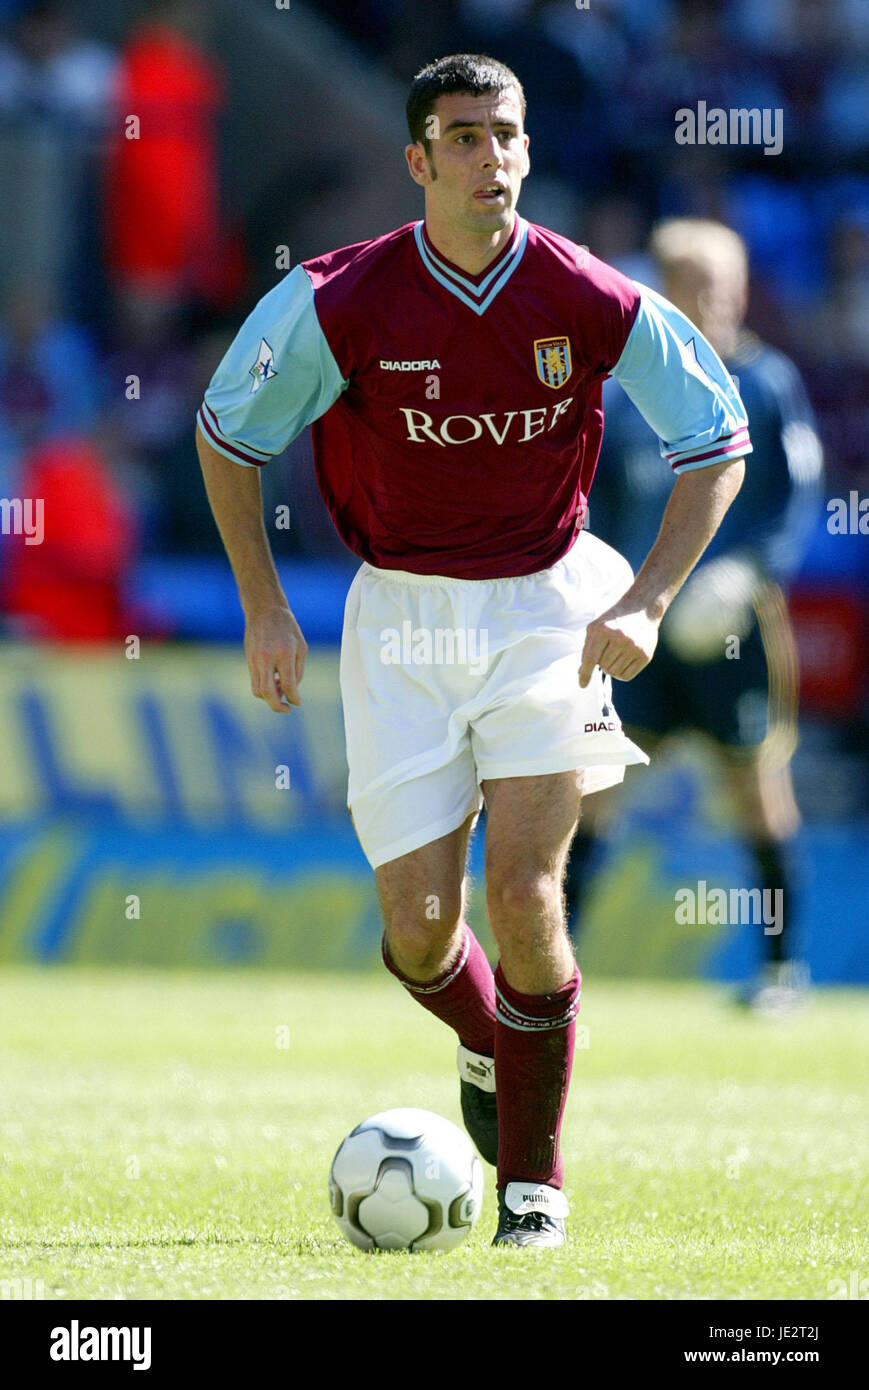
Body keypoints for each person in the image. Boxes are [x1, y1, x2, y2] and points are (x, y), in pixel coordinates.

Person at [195, 55, 750, 1248]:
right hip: (397, 617)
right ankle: (499, 1048)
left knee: (524, 890)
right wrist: (262, 606)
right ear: (417, 161)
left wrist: (647, 599)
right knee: (415, 927)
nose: (487, 157)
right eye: (460, 137)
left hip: (544, 607)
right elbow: (226, 435)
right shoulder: (337, 300)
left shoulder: (587, 295)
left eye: (504, 136)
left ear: (527, 152)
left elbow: (716, 438)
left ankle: (532, 1192)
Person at [564, 218, 823, 1015]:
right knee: (592, 790)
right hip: (639, 621)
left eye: (721, 285)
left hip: (730, 630)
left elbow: (792, 500)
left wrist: (747, 572)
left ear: (742, 289)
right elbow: (597, 502)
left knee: (756, 792)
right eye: (690, 285)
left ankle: (782, 973)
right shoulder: (630, 389)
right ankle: (550, 975)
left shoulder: (768, 383)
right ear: (660, 292)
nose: (709, 300)